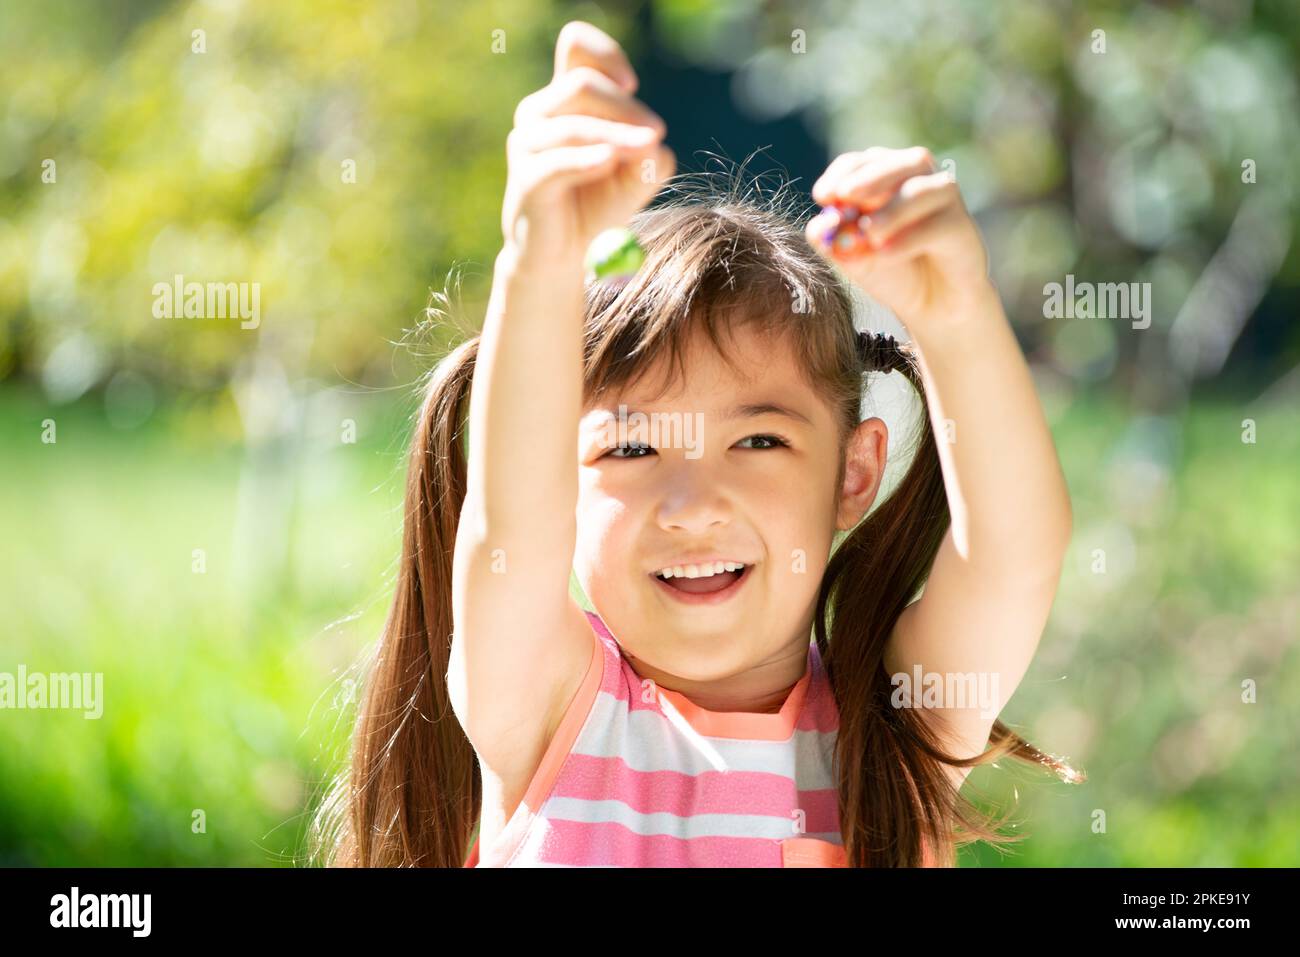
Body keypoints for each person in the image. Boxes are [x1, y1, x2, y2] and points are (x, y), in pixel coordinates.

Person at [313, 20, 1082, 868]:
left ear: (853, 472)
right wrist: (539, 259)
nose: (692, 505)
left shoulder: (898, 726)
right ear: (562, 481)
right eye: (633, 451)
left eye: (757, 439)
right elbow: (511, 533)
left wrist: (958, 313)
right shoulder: (547, 704)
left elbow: (1015, 554)